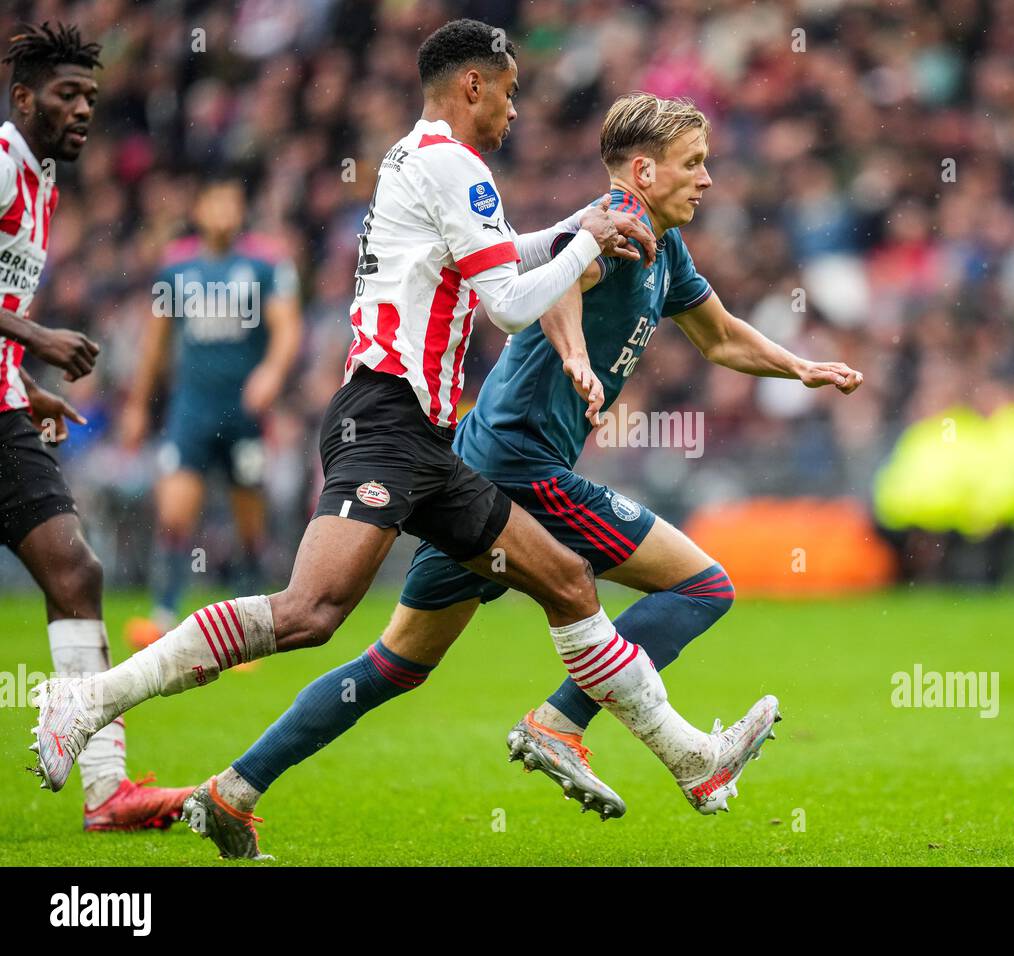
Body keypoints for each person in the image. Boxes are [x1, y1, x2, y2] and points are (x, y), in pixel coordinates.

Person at [31, 21, 778, 857]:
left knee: (567, 584)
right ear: (473, 86)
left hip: (430, 441)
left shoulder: (416, 159)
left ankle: (689, 760)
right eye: (508, 92)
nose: (513, 110)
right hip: (382, 419)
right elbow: (506, 302)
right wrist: (588, 244)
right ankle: (91, 699)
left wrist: (573, 229)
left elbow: (492, 258)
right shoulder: (454, 163)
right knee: (311, 612)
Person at [183, 92, 860, 859]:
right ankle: (560, 723)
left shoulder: (664, 247)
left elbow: (722, 338)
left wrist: (798, 365)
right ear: (643, 170)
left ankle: (231, 791)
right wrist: (573, 353)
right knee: (702, 585)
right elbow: (560, 287)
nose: (707, 180)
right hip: (519, 464)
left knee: (394, 664)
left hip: (474, 467)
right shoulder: (610, 229)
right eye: (694, 164)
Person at [1, 21, 192, 830]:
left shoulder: (40, 180)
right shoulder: (3, 163)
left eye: (89, 97)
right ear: (22, 97)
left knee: (76, 575)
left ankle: (107, 791)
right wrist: (35, 340)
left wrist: (24, 381)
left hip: (3, 404)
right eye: (66, 94)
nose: (82, 109)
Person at [119, 177, 302, 646]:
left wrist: (272, 374)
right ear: (198, 208)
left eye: (232, 202)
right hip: (191, 410)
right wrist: (138, 406)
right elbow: (155, 342)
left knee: (249, 524)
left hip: (244, 412)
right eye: (215, 201)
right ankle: (163, 617)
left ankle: (247, 632)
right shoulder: (175, 268)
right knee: (175, 514)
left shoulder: (266, 263)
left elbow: (287, 329)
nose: (224, 210)